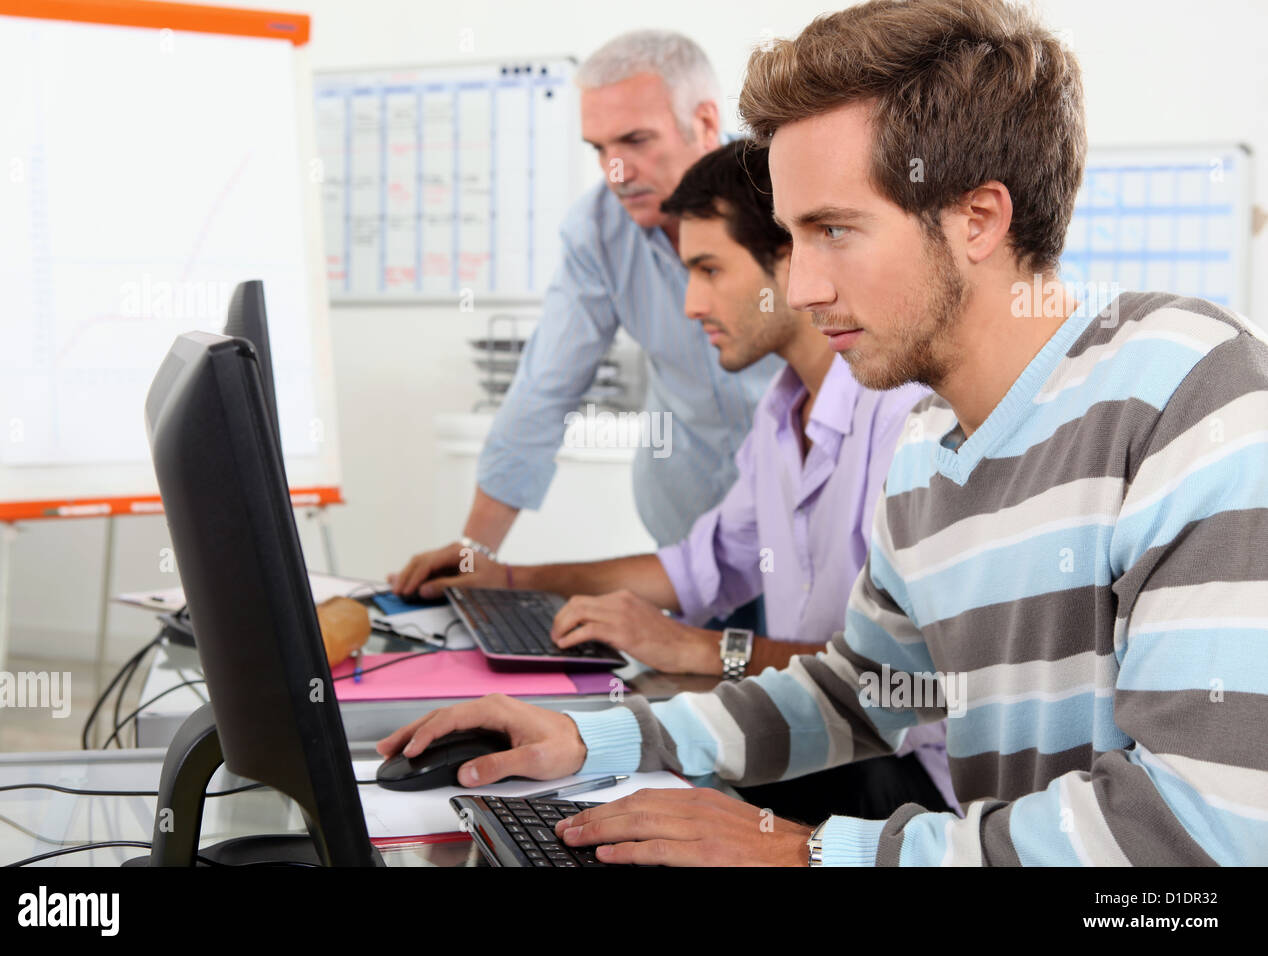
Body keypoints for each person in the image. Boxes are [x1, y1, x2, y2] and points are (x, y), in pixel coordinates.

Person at [380, 0, 1268, 866]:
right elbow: (861, 692)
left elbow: (1198, 835)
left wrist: (809, 853)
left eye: (834, 230)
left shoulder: (1194, 396)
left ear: (978, 219)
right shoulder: (928, 446)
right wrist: (604, 739)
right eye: (793, 239)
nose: (801, 289)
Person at [401, 139, 956, 821]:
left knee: (641, 790)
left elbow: (903, 685)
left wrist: (703, 648)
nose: (691, 304)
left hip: (911, 783)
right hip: (826, 750)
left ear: (791, 261)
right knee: (592, 793)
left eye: (709, 269)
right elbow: (698, 568)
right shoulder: (780, 415)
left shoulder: (908, 417)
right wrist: (507, 577)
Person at [391, 30, 783, 601]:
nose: (615, 172)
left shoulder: (784, 197)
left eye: (635, 140)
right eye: (598, 148)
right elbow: (544, 388)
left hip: (803, 512)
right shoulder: (598, 229)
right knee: (698, 676)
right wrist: (479, 551)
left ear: (702, 121)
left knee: (799, 674)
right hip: (686, 519)